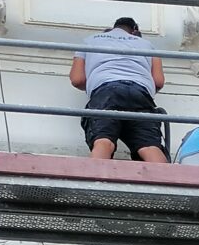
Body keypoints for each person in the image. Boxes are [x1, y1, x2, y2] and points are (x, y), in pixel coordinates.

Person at [70, 16, 167, 162]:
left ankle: (95, 181)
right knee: (149, 146)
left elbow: (77, 79)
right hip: (139, 92)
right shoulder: (147, 44)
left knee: (104, 141)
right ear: (135, 31)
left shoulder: (90, 40)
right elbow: (158, 81)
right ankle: (164, 182)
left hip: (106, 90)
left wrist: (95, 82)